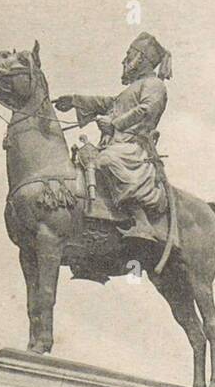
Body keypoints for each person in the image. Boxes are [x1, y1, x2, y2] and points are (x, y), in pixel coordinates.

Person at [53, 32, 173, 238]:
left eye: (129, 54)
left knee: (107, 160)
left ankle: (142, 222)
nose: (124, 60)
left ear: (141, 58)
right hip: (117, 142)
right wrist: (75, 100)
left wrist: (115, 123)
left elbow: (146, 109)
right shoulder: (133, 88)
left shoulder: (154, 85)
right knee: (85, 158)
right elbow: (107, 103)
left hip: (135, 145)